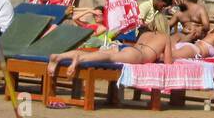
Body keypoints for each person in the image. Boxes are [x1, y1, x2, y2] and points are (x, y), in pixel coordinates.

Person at [48, 28, 176, 80]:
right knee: (109, 58)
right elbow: (168, 62)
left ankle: (60, 56)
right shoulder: (165, 37)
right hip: (137, 55)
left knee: (102, 53)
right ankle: (80, 59)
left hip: (124, 47)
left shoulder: (145, 34)